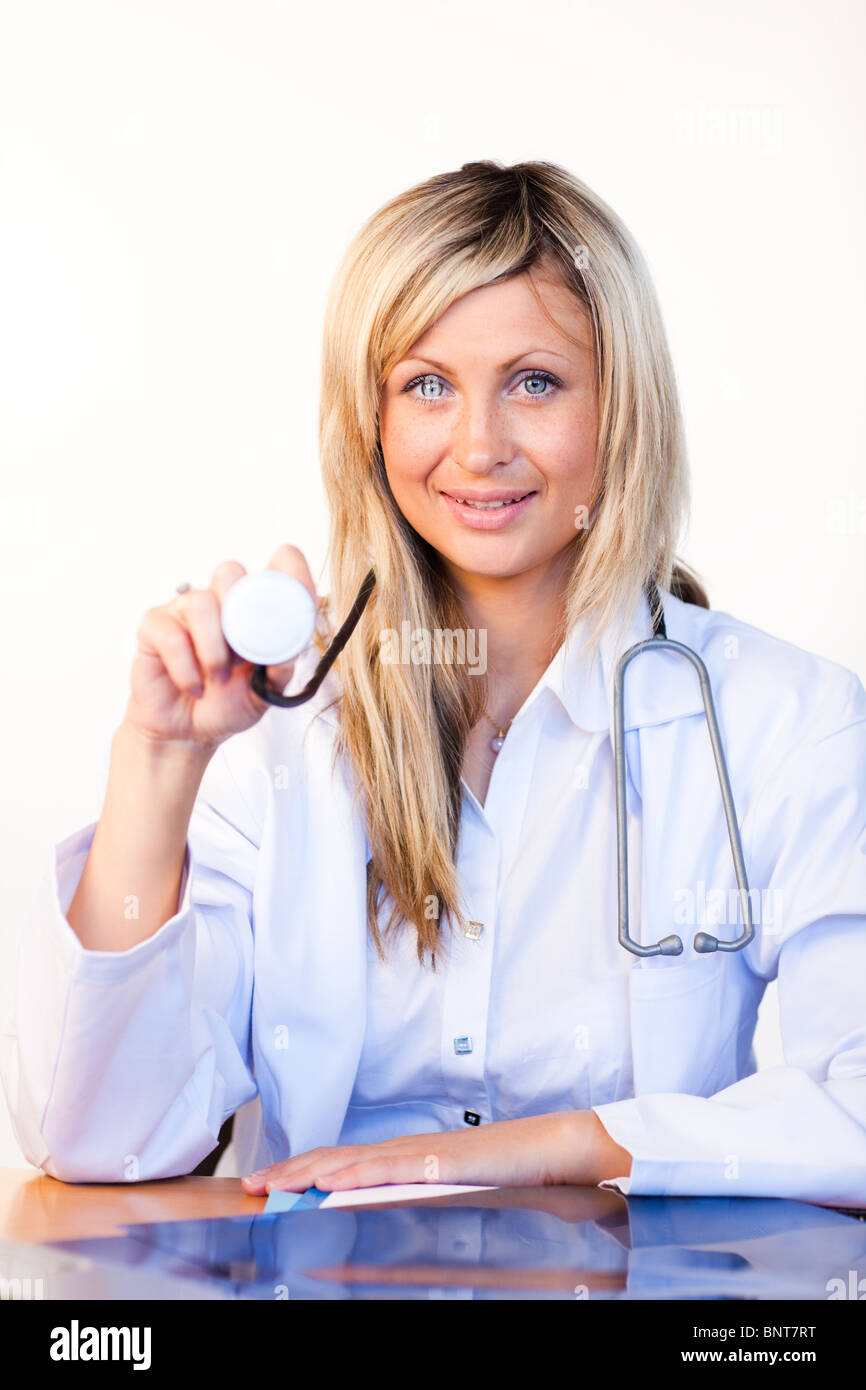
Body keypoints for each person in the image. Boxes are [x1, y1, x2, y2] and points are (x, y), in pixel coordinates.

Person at [2, 161, 865, 1207]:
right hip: (323, 1281)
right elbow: (99, 1140)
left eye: (534, 382)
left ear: (619, 407)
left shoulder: (788, 722)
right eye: (426, 385)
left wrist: (554, 1146)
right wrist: (160, 760)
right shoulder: (274, 724)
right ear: (369, 418)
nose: (479, 446)